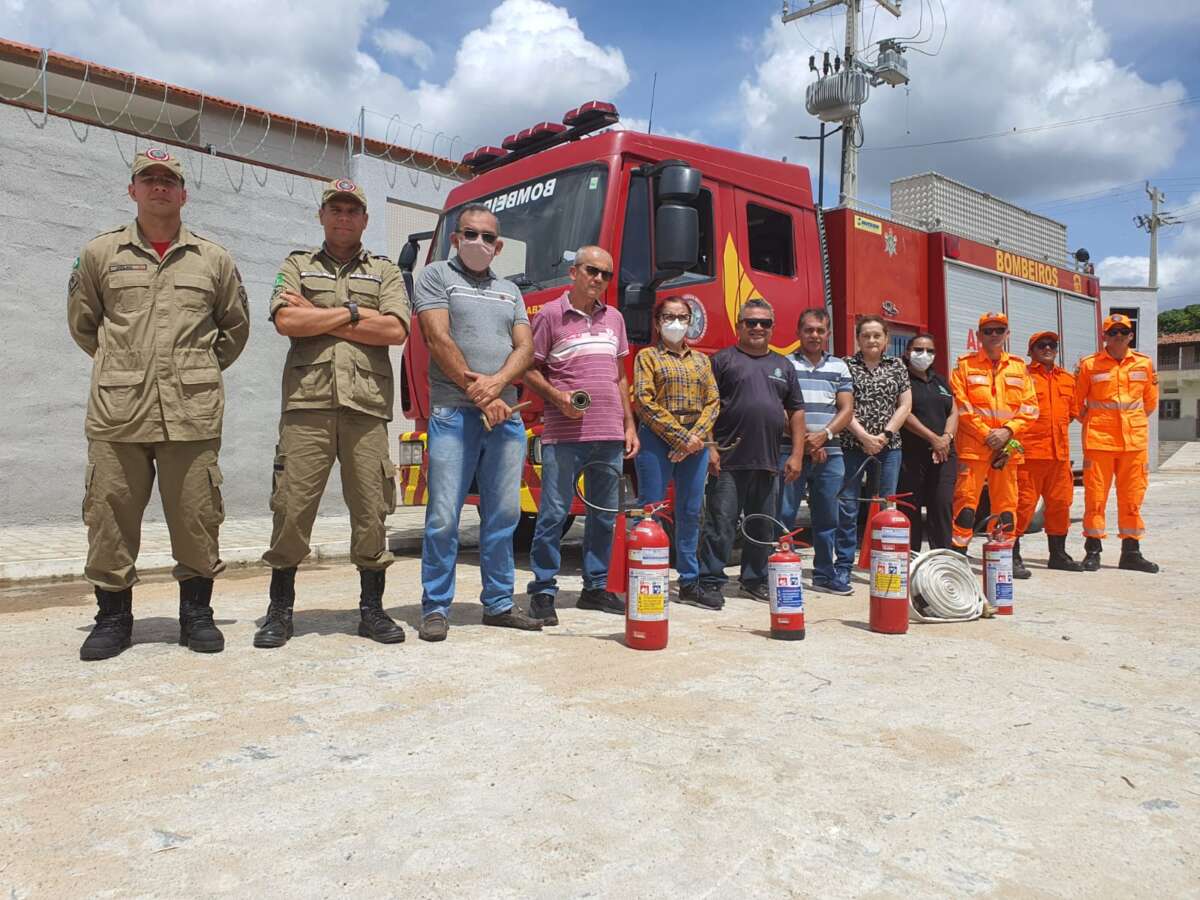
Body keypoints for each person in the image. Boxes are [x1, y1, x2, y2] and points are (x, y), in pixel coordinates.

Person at [68, 148, 251, 661]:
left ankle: (196, 614)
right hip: (117, 413)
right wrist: (124, 367)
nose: (159, 187)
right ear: (133, 190)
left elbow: (235, 329)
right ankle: (112, 618)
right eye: (148, 179)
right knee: (109, 517)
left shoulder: (213, 259)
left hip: (190, 414)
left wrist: (195, 371)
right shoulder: (101, 254)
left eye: (168, 180)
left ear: (183, 192)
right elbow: (85, 326)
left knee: (196, 517)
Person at [254, 179, 410, 649]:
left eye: (352, 211)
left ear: (364, 219)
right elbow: (287, 321)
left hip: (366, 407)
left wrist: (328, 312)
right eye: (335, 209)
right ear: (322, 216)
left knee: (371, 509)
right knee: (292, 507)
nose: (344, 217)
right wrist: (357, 314)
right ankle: (279, 610)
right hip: (307, 404)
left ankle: (372, 609)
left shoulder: (385, 271)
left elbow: (397, 329)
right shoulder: (297, 264)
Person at [410, 203, 542, 641]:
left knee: (503, 515)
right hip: (454, 414)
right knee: (444, 515)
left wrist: (499, 385)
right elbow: (436, 337)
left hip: (504, 417)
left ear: (498, 245)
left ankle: (500, 603)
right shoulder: (435, 277)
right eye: (470, 233)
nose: (479, 243)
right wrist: (480, 396)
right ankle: (435, 606)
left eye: (488, 237)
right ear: (454, 238)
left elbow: (525, 349)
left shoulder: (510, 291)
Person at [522, 246, 639, 624]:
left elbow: (620, 376)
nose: (599, 280)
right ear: (574, 272)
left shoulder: (615, 319)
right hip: (564, 434)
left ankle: (596, 588)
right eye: (592, 271)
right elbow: (529, 369)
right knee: (553, 514)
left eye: (606, 274)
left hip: (608, 434)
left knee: (604, 516)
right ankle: (542, 591)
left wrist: (629, 425)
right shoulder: (551, 315)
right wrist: (558, 397)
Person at [698, 299, 805, 606]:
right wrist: (710, 447)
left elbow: (796, 411)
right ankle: (711, 580)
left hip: (769, 461)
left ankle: (754, 579)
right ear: (738, 326)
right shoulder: (722, 360)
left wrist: (796, 454)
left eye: (764, 323)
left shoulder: (784, 366)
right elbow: (708, 406)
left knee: (762, 525)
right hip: (728, 460)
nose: (758, 327)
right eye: (751, 322)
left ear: (772, 328)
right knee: (721, 524)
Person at [632, 295, 720, 608]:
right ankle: (645, 575)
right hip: (657, 440)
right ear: (657, 323)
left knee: (690, 512)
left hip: (695, 442)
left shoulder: (701, 361)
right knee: (650, 509)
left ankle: (689, 581)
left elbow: (713, 402)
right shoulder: (647, 357)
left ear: (690, 322)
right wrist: (680, 438)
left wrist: (694, 438)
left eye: (682, 317)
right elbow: (644, 401)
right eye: (669, 316)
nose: (676, 323)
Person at [1075, 313, 1159, 573]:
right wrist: (1098, 423)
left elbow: (1150, 402)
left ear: (1131, 335)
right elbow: (1077, 404)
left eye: (1124, 332)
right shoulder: (1089, 365)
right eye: (1113, 332)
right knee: (1095, 498)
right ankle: (1093, 551)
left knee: (1133, 498)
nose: (1119, 336)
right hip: (1099, 441)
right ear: (1105, 337)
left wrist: (1129, 423)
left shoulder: (1144, 364)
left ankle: (1131, 553)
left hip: (1133, 444)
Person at [777, 308, 854, 594]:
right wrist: (804, 441)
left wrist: (824, 436)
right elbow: (778, 408)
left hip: (830, 452)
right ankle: (782, 570)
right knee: (783, 513)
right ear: (798, 332)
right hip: (789, 450)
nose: (814, 335)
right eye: (808, 329)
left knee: (827, 517)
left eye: (820, 330)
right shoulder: (784, 364)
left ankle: (824, 573)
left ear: (828, 334)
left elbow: (847, 409)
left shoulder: (839, 367)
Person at [949, 312, 1038, 552]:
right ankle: (959, 554)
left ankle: (1003, 556)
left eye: (999, 330)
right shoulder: (964, 366)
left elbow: (1030, 408)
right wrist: (988, 434)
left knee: (1006, 505)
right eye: (988, 331)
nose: (994, 335)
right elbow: (961, 406)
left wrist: (1008, 432)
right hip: (974, 447)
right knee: (966, 505)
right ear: (979, 335)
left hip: (1006, 449)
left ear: (1007, 334)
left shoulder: (1019, 368)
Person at [835, 316, 912, 587]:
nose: (871, 340)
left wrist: (885, 435)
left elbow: (905, 405)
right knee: (848, 507)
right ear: (858, 338)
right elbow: (842, 405)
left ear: (886, 339)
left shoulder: (897, 366)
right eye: (866, 335)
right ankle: (843, 565)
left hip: (889, 448)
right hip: (852, 445)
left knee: (884, 507)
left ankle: (883, 564)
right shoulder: (846, 365)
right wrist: (864, 436)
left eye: (877, 335)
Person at [1014, 330, 1083, 576]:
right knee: (1022, 506)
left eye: (1052, 344)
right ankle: (1012, 554)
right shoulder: (1022, 377)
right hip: (1029, 456)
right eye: (1041, 345)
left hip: (1059, 456)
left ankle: (1058, 555)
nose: (1047, 348)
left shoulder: (1067, 379)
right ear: (1030, 351)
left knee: (1060, 506)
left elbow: (1072, 413)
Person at [898, 333, 958, 552]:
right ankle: (911, 557)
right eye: (918, 350)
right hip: (912, 455)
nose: (924, 355)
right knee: (910, 507)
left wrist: (946, 439)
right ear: (907, 352)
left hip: (944, 454)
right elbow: (904, 413)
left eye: (930, 351)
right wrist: (933, 439)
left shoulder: (939, 380)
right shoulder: (902, 379)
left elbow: (953, 410)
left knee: (942, 504)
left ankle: (942, 556)